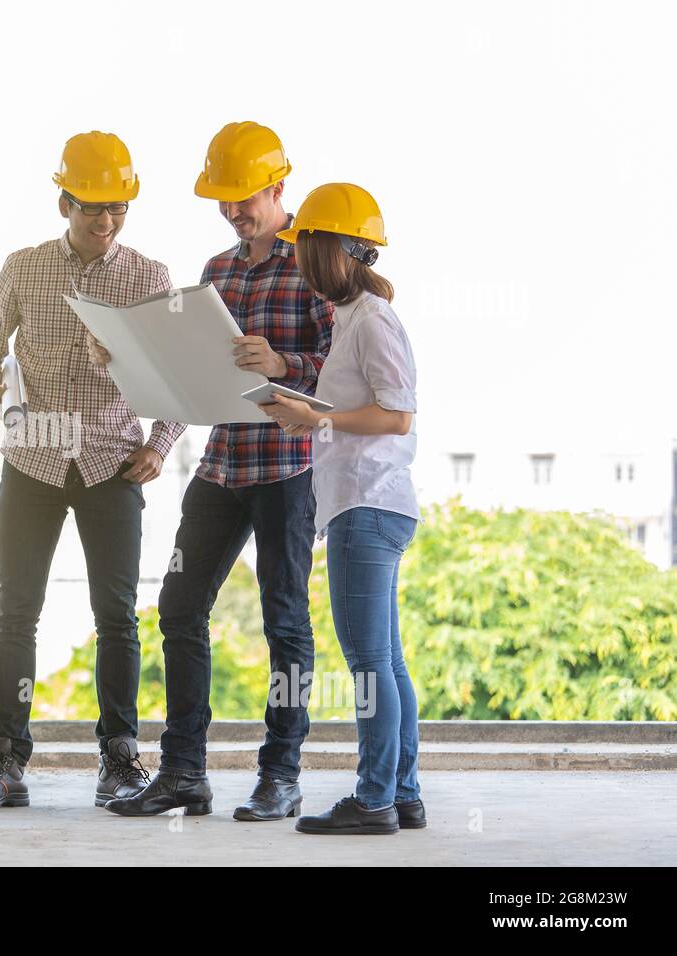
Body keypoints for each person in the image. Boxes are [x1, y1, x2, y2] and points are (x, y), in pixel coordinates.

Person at [100, 122, 334, 820]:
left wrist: (285, 364)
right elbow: (192, 372)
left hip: (290, 468)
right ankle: (183, 773)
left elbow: (347, 376)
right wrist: (140, 367)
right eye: (223, 200)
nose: (234, 211)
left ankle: (280, 774)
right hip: (224, 463)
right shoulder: (217, 273)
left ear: (278, 187)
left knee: (285, 620)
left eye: (244, 198)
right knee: (178, 606)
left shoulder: (315, 266)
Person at [0, 131, 187, 810]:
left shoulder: (148, 277)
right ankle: (6, 758)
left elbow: (177, 372)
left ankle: (119, 759)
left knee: (116, 617)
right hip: (32, 460)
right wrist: (2, 404)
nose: (106, 220)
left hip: (112, 463)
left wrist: (161, 443)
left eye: (118, 208)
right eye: (93, 207)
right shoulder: (24, 269)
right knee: (17, 612)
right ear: (64, 201)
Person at [260, 182, 425, 834]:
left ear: (332, 250)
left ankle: (374, 798)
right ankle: (402, 793)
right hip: (367, 505)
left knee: (367, 664)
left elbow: (398, 411)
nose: (299, 263)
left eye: (305, 250)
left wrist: (315, 413)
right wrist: (303, 414)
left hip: (368, 506)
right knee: (387, 661)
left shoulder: (374, 320)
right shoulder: (350, 319)